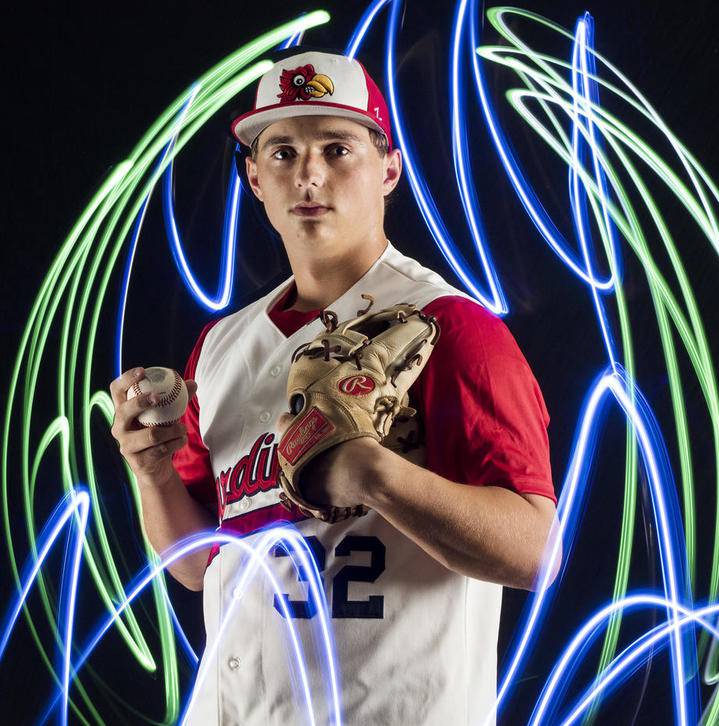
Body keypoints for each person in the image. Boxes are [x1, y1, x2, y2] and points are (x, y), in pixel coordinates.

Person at [109, 48, 561, 726]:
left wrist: (375, 473)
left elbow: (536, 553)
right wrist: (153, 477)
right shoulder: (222, 346)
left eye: (337, 147)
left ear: (389, 169)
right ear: (255, 179)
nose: (309, 173)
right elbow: (201, 565)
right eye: (283, 152)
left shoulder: (447, 326)